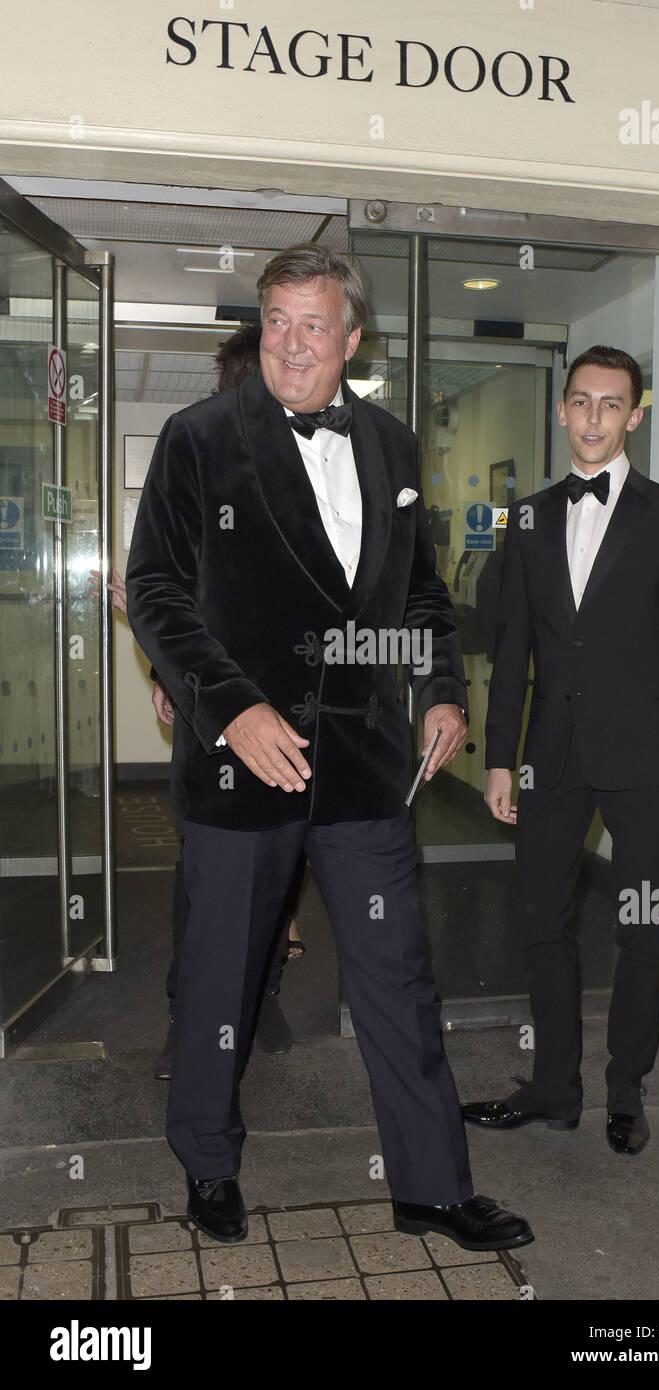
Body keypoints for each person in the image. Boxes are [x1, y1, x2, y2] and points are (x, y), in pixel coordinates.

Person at [125, 243, 533, 1250]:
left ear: (354, 338)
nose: (291, 344)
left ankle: (432, 1185)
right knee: (225, 972)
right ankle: (209, 1162)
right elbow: (158, 592)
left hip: (363, 767)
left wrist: (441, 692)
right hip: (242, 764)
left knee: (399, 975)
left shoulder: (392, 445)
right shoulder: (198, 438)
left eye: (314, 325)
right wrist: (232, 708)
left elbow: (422, 594)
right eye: (275, 320)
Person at [463, 345, 659, 1156]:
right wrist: (500, 759)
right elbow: (512, 651)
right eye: (581, 402)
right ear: (562, 409)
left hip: (650, 757)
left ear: (635, 417)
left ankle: (626, 1090)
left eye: (611, 406)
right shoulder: (531, 518)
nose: (593, 419)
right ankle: (554, 1089)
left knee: (642, 925)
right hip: (550, 755)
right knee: (543, 920)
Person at [105, 323, 305, 1074]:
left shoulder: (314, 475)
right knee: (203, 881)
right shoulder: (198, 464)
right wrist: (168, 682)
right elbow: (174, 599)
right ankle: (186, 1017)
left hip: (297, 721)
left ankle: (265, 997)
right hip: (214, 719)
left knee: (282, 877)